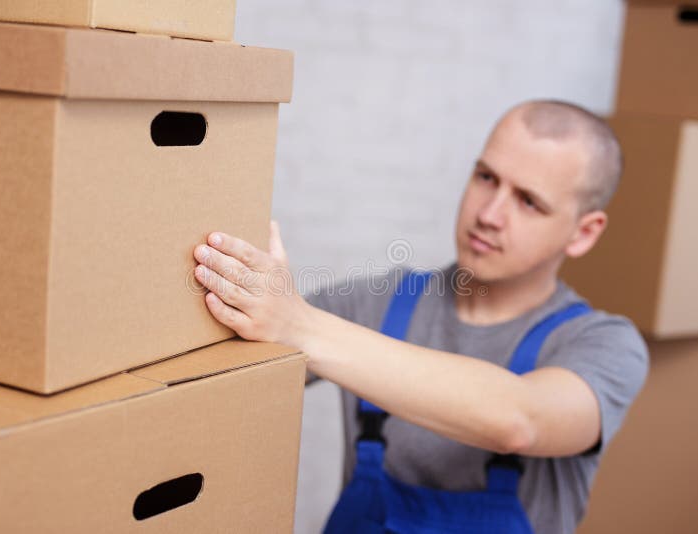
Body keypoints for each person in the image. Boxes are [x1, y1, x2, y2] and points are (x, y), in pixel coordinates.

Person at [191, 100, 649, 534]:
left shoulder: (602, 344)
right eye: (486, 178)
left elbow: (518, 420)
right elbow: (220, 381)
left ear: (584, 233)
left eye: (529, 202)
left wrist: (298, 326)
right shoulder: (375, 302)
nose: (489, 214)